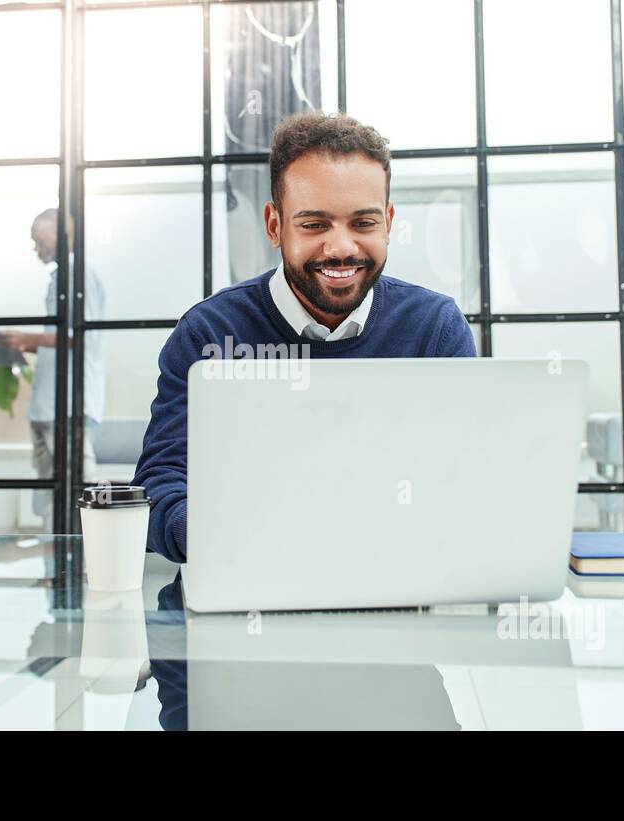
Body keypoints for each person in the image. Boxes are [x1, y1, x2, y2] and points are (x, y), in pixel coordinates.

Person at [132, 112, 477, 563]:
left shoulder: (435, 328)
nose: (341, 248)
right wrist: (214, 536)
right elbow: (162, 478)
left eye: (364, 224)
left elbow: (468, 474)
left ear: (388, 222)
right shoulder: (209, 334)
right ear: (275, 226)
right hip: (244, 583)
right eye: (314, 225)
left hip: (395, 583)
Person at [0, 210, 106, 527]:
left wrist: (25, 336)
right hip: (49, 406)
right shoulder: (62, 277)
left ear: (61, 234)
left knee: (73, 493)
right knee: (52, 497)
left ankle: (74, 568)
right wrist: (22, 344)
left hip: (68, 404)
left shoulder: (78, 275)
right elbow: (60, 339)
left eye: (38, 238)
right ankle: (53, 568)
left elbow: (77, 335)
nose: (35, 248)